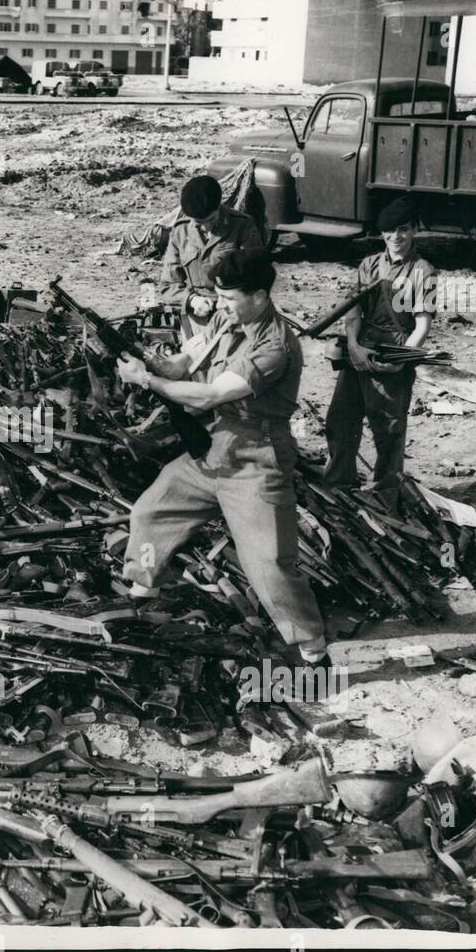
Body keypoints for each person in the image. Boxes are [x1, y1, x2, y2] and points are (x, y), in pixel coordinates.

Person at [116, 247, 329, 666]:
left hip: (258, 457)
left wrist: (146, 382)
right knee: (150, 513)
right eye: (221, 297)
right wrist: (153, 363)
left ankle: (313, 650)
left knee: (269, 563)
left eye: (231, 298)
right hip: (215, 444)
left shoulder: (275, 345)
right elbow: (185, 364)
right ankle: (143, 597)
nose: (222, 305)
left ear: (261, 296)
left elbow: (212, 393)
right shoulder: (227, 320)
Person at [323, 196, 437, 510]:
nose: (396, 237)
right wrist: (355, 346)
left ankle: (386, 495)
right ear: (381, 233)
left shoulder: (423, 271)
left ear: (414, 230)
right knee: (341, 421)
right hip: (359, 351)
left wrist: (399, 361)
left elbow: (422, 326)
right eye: (389, 231)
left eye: (403, 229)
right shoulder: (369, 265)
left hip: (393, 356)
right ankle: (337, 485)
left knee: (388, 432)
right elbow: (353, 311)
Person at [159, 175, 263, 330]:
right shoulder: (180, 231)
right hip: (198, 316)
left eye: (211, 220)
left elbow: (257, 279)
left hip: (236, 317)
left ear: (219, 206)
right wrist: (192, 300)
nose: (206, 227)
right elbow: (168, 285)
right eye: (198, 223)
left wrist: (229, 301)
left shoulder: (242, 226)